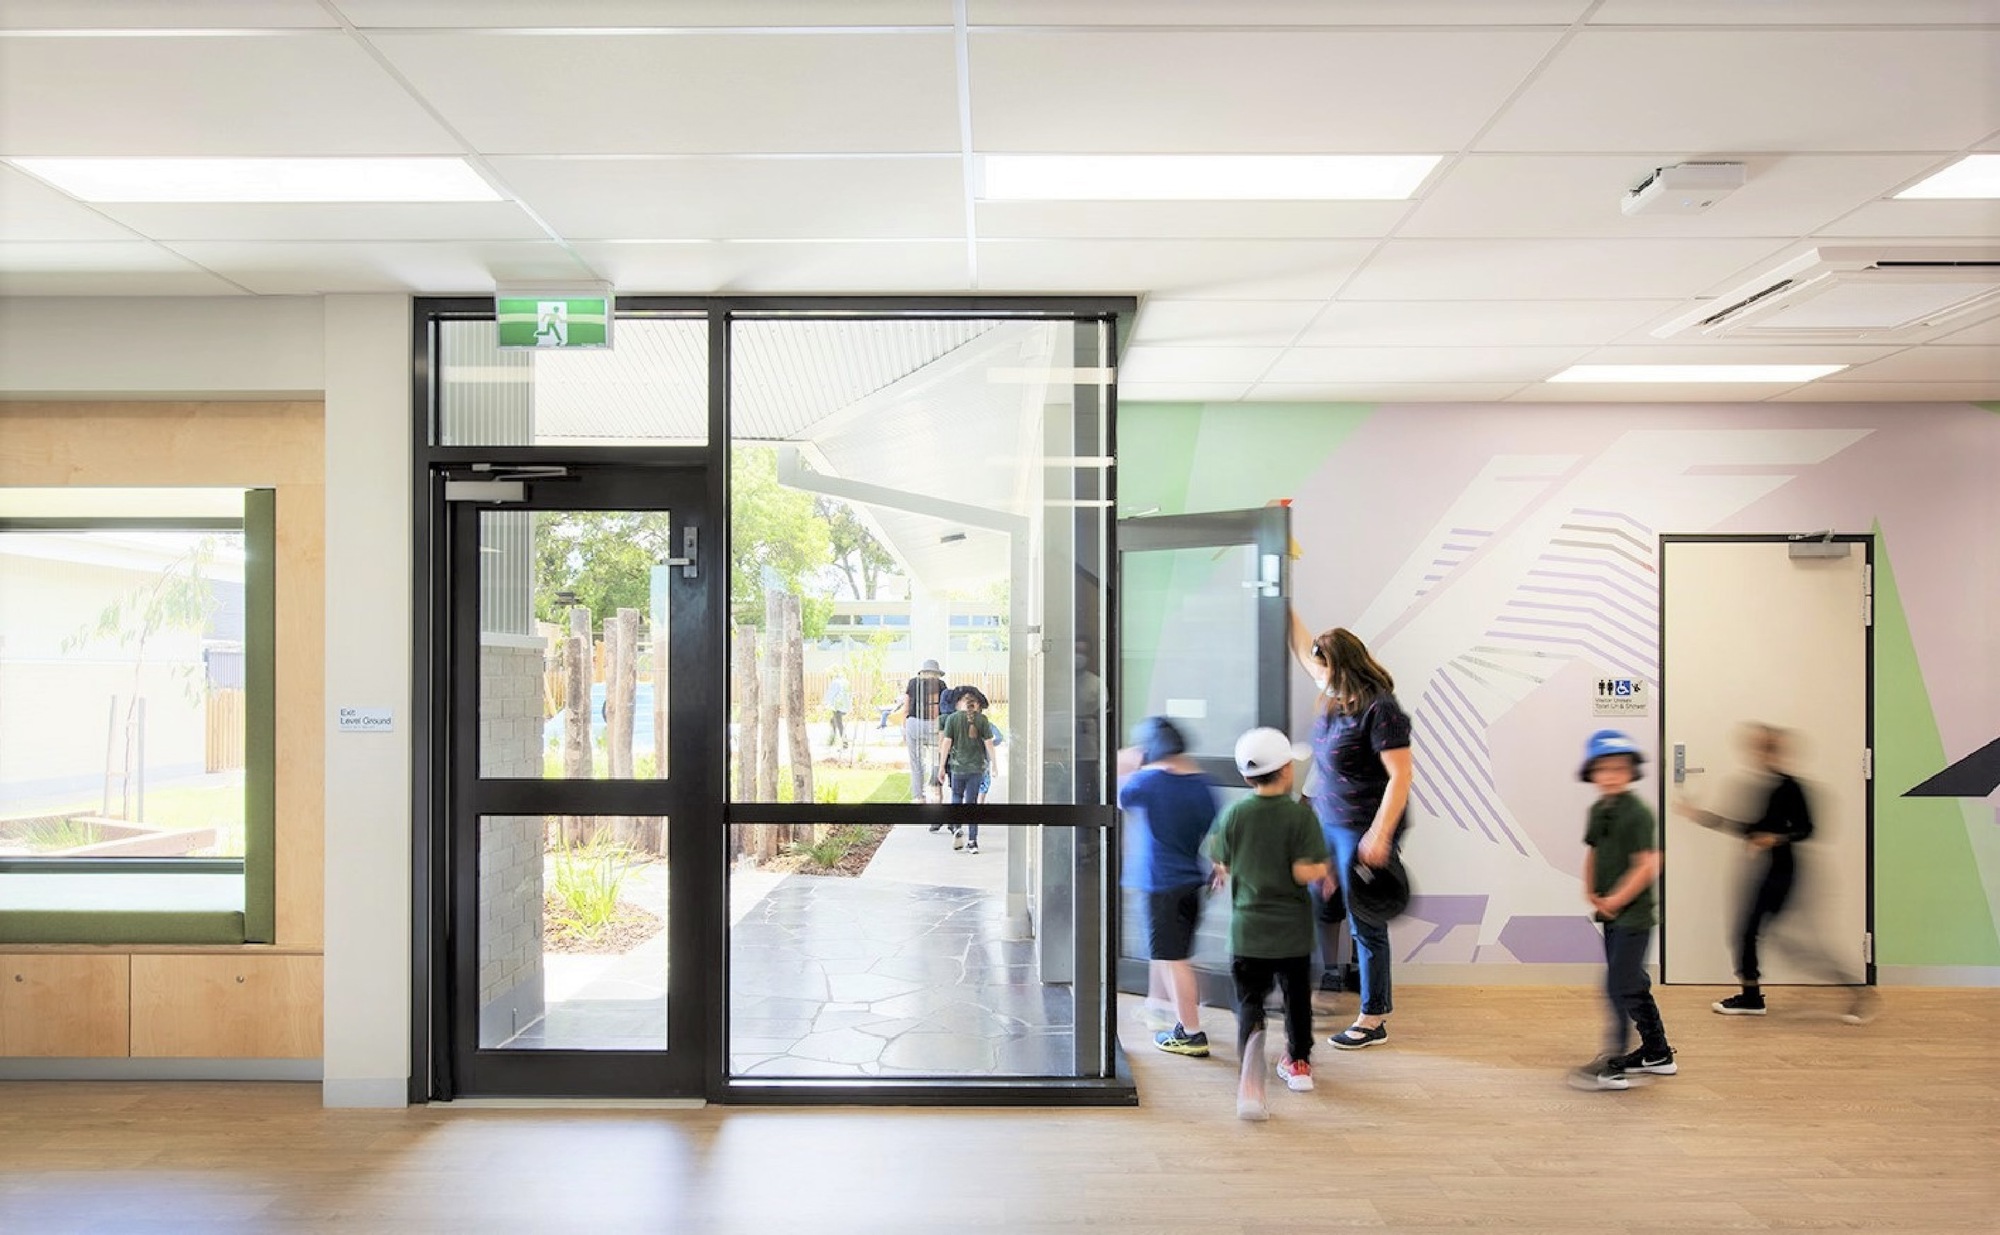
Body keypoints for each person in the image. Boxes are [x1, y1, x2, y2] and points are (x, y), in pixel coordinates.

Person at [1675, 724, 1876, 1023]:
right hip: (1765, 871)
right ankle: (1752, 997)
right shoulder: (1763, 786)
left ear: (1778, 751)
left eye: (1767, 747)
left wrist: (1775, 839)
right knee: (1749, 934)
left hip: (1784, 872)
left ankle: (1855, 990)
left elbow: (1807, 829)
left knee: (1784, 944)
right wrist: (1699, 815)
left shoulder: (1791, 788)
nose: (1760, 753)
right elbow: (1747, 827)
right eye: (1758, 747)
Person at [1289, 614, 1412, 1050]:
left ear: (1341, 667)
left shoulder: (1380, 709)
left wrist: (1379, 834)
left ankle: (1373, 1017)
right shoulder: (1335, 696)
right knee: (1317, 903)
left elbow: (1400, 776)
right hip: (1330, 823)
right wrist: (1284, 600)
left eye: (1323, 667)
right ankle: (1320, 988)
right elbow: (1304, 650)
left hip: (1363, 827)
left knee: (1365, 923)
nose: (1317, 674)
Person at [1209, 727, 1330, 1120]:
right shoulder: (1299, 817)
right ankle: (1298, 1062)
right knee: (1296, 999)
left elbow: (1221, 861)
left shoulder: (1234, 815)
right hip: (1292, 933)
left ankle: (1251, 1079)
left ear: (1247, 778)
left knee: (1250, 1002)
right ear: (1287, 770)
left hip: (1248, 932)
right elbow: (1303, 871)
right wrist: (1323, 869)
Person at [1569, 729, 1678, 1091]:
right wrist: (1591, 890)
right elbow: (1594, 851)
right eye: (1604, 768)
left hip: (1634, 916)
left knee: (1618, 985)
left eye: (1620, 768)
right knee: (1633, 982)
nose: (1612, 775)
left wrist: (1616, 899)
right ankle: (1657, 1052)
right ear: (1592, 773)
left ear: (1632, 771)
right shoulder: (1599, 810)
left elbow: (1649, 864)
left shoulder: (1638, 813)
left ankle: (1613, 1063)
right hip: (1611, 914)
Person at [1116, 717, 1219, 1058]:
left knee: (1174, 959)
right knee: (1168, 952)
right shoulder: (1202, 784)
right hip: (1190, 880)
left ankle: (1191, 1031)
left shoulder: (1149, 782)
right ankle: (1158, 1005)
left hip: (1161, 883)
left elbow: (1119, 796)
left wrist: (1126, 762)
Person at [936, 686, 997, 853]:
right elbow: (989, 743)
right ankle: (973, 841)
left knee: (956, 797)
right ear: (975, 704)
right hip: (976, 769)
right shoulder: (982, 720)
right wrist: (994, 764)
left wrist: (941, 767)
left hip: (957, 768)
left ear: (959, 703)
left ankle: (957, 828)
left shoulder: (952, 719)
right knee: (972, 803)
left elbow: (946, 744)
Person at [887, 658, 948, 804]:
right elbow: (943, 708)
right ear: (937, 673)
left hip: (914, 724)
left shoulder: (913, 683)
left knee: (916, 763)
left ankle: (918, 797)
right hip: (934, 725)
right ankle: (935, 789)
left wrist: (904, 728)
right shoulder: (941, 685)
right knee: (937, 759)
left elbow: (906, 708)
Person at [822, 667, 852, 748]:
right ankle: (832, 739)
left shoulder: (835, 682)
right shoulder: (846, 682)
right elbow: (850, 695)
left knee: (839, 724)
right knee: (833, 721)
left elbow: (831, 694)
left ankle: (845, 742)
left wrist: (825, 703)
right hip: (845, 707)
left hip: (837, 706)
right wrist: (850, 706)